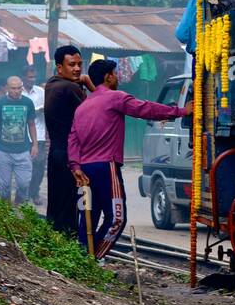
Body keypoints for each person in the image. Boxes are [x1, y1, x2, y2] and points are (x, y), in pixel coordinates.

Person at [67, 58, 190, 260]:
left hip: (85, 169)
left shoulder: (82, 107)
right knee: (116, 219)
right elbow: (145, 108)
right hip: (106, 166)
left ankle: (83, 258)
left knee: (88, 217)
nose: (117, 78)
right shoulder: (115, 97)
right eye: (115, 74)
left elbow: (73, 139)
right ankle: (94, 258)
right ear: (108, 76)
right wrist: (181, 111)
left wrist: (75, 165)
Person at [44, 46, 94, 237]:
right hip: (70, 154)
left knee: (57, 201)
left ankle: (54, 240)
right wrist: (88, 83)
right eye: (71, 64)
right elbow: (99, 108)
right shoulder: (69, 87)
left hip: (56, 152)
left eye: (80, 64)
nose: (77, 69)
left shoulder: (52, 84)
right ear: (59, 67)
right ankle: (69, 241)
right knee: (69, 202)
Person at [0, 75, 37, 203]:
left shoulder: (27, 103)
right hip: (3, 150)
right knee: (4, 188)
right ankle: (6, 214)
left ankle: (17, 206)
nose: (17, 91)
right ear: (7, 88)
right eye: (13, 88)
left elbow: (31, 124)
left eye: (19, 88)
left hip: (23, 150)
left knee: (24, 183)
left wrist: (35, 144)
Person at [21, 65, 47, 203]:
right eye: (30, 77)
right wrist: (36, 110)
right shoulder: (17, 92)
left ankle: (34, 192)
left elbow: (47, 107)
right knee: (25, 166)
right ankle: (24, 193)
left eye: (34, 77)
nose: (32, 79)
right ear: (23, 77)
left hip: (40, 134)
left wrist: (43, 109)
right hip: (23, 135)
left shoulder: (41, 92)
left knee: (39, 165)